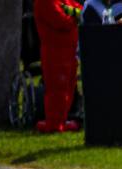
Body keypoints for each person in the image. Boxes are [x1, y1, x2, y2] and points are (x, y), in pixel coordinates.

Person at [33, 0, 82, 133]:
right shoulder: (44, 2)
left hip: (69, 52)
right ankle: (54, 124)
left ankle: (62, 120)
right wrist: (75, 18)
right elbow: (61, 22)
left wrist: (74, 14)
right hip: (55, 52)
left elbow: (79, 9)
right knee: (57, 90)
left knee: (69, 88)